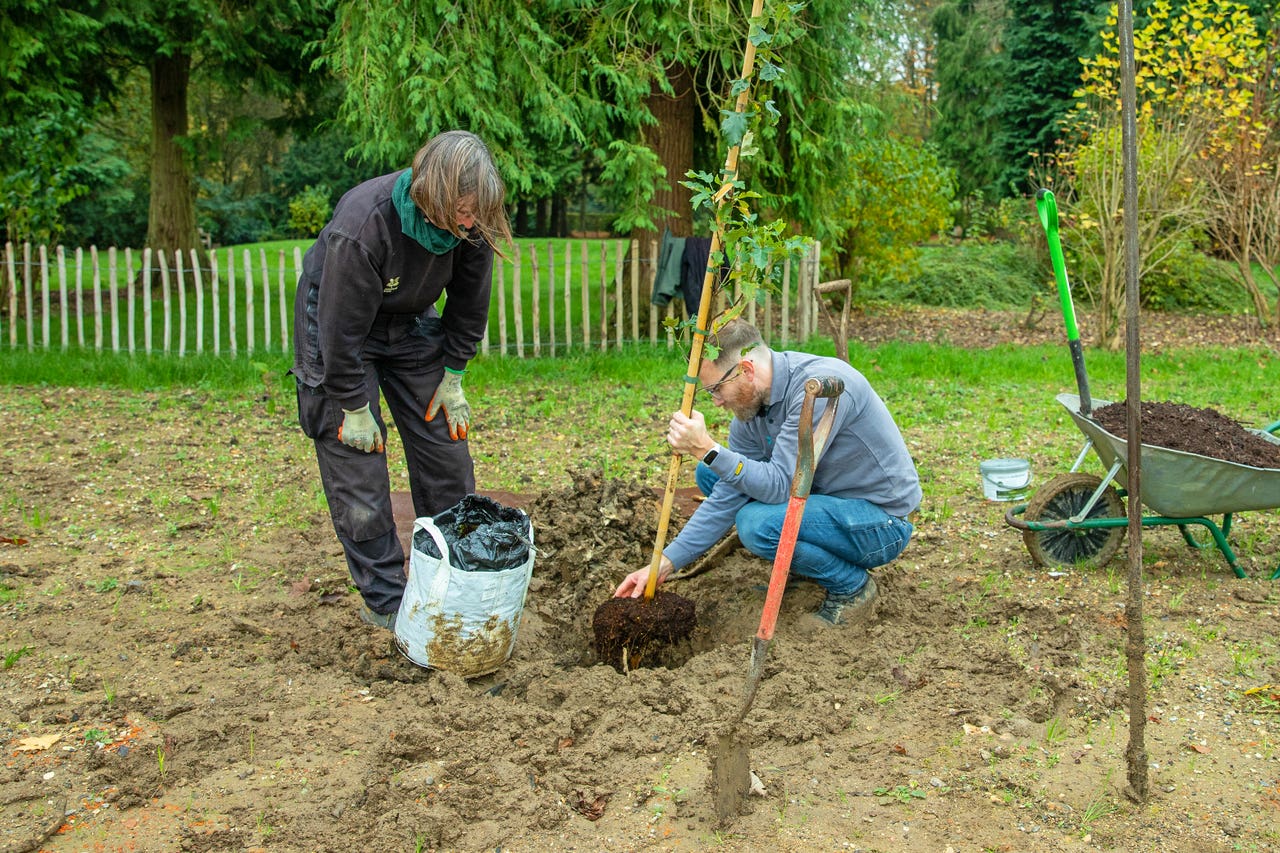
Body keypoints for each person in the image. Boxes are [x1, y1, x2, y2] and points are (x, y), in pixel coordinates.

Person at [291, 130, 512, 632]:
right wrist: (350, 404)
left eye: (476, 211)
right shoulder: (363, 224)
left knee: (445, 449)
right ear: (431, 191)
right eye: (460, 209)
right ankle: (387, 602)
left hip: (409, 320)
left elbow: (469, 303)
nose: (468, 221)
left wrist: (452, 375)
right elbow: (338, 329)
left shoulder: (473, 222)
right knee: (359, 462)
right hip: (338, 325)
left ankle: (456, 577)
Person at [614, 319, 921, 625]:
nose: (717, 401)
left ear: (746, 370)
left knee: (756, 524)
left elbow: (779, 486)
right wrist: (665, 562)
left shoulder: (817, 391)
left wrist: (708, 449)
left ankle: (851, 588)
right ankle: (806, 564)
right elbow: (727, 495)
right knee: (713, 475)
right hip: (829, 500)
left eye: (716, 389)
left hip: (880, 522)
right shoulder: (751, 410)